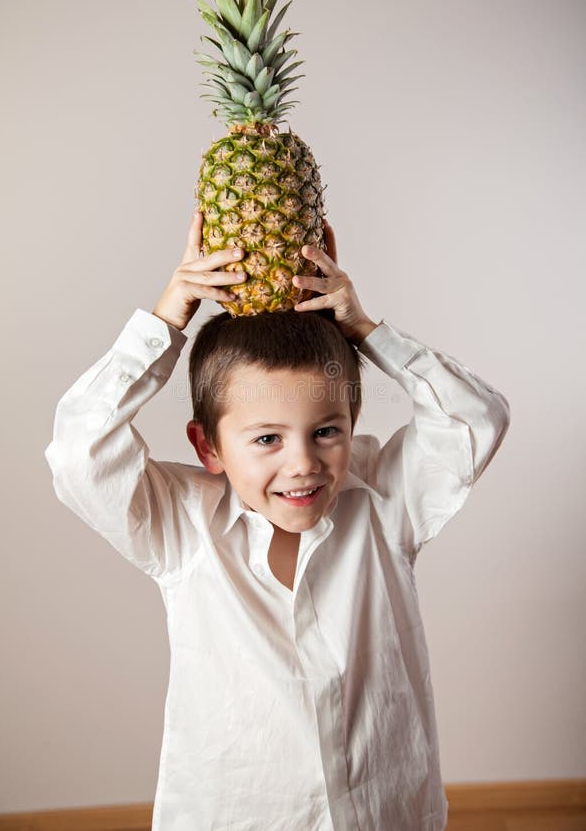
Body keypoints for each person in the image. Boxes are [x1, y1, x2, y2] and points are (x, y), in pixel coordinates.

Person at [44, 211, 510, 831]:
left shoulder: (385, 499)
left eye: (325, 431)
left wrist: (366, 331)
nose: (303, 464)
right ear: (208, 448)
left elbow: (476, 418)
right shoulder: (182, 526)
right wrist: (165, 323)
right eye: (266, 438)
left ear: (352, 423)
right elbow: (80, 453)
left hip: (383, 811)